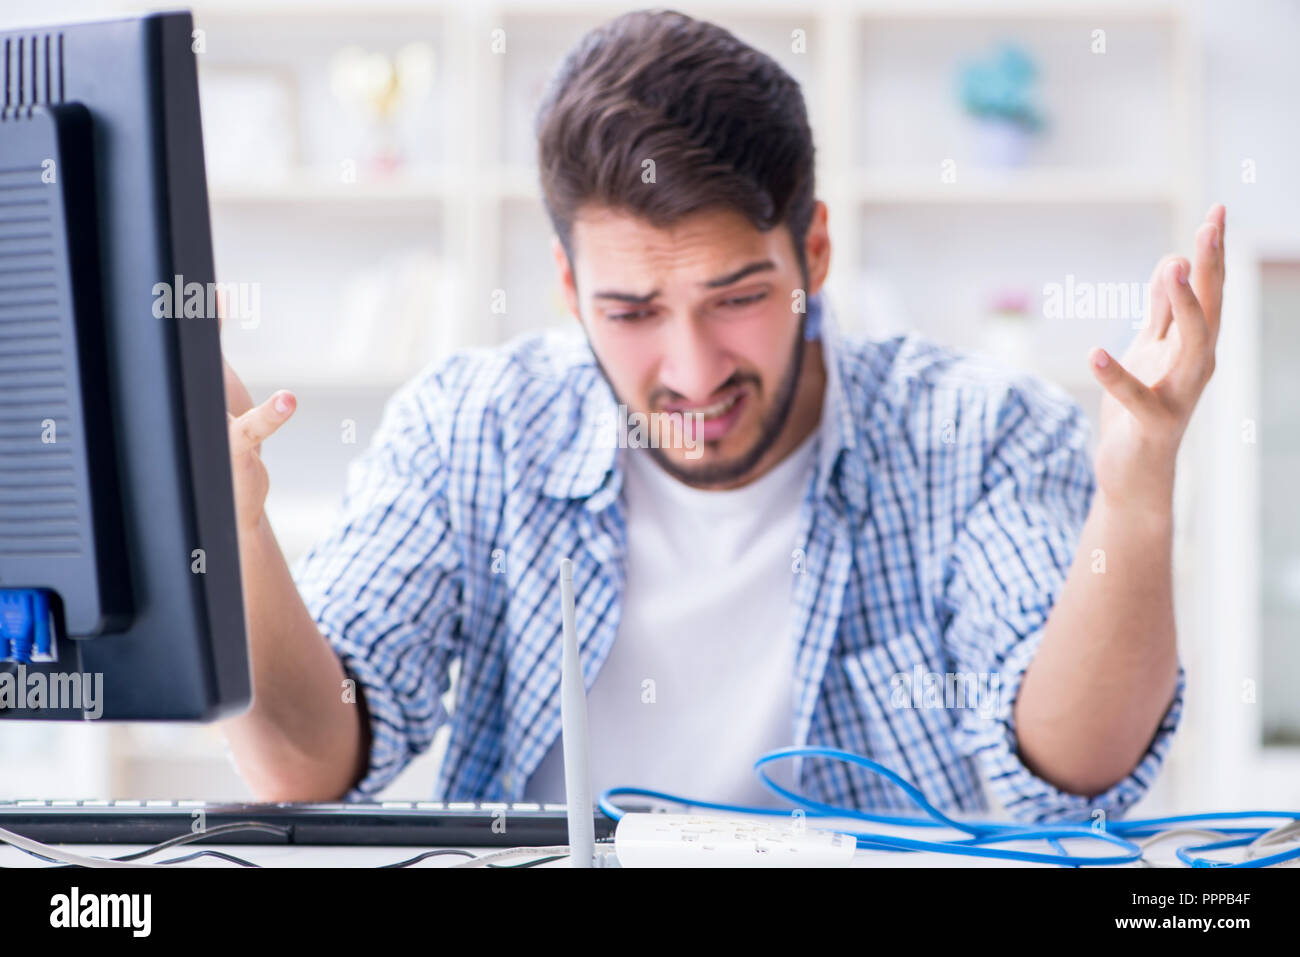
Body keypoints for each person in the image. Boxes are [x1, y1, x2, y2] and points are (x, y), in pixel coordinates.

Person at [220, 9, 1225, 822]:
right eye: (632, 311)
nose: (693, 373)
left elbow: (1073, 777)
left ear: (814, 254)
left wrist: (1135, 496)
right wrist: (237, 534)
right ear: (569, 289)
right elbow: (310, 769)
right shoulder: (464, 430)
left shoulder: (980, 432)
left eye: (739, 298)